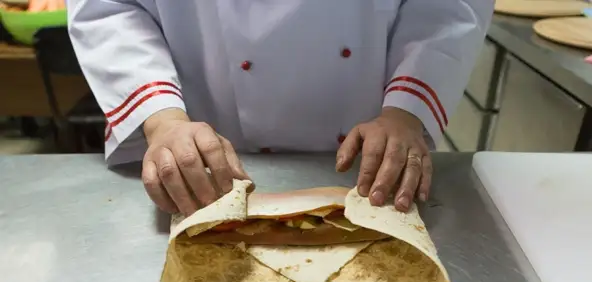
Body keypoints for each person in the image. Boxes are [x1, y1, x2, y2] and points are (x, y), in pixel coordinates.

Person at [67, 0, 492, 215]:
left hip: (366, 161)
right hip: (201, 150)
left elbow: (446, 7)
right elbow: (110, 7)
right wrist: (162, 119)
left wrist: (405, 111)